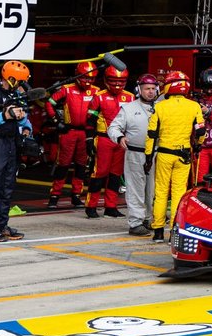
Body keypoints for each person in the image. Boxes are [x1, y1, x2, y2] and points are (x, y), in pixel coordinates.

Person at [145, 72, 205, 242]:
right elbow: (200, 131)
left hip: (164, 153)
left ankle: (157, 232)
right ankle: (174, 232)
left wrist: (148, 157)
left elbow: (151, 134)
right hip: (184, 155)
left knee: (161, 191)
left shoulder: (160, 106)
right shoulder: (194, 106)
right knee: (179, 193)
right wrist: (198, 144)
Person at [0, 61, 32, 242]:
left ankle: (2, 225)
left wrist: (27, 128)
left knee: (7, 187)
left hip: (13, 145)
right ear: (11, 79)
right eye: (20, 81)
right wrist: (4, 115)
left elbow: (25, 118)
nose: (22, 85)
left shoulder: (17, 95)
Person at [107, 74, 159, 236]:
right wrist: (120, 137)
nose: (150, 92)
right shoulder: (128, 108)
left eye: (153, 89)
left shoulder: (162, 107)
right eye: (147, 89)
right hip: (136, 153)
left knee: (153, 189)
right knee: (135, 189)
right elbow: (113, 128)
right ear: (138, 90)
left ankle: (148, 219)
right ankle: (136, 222)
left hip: (157, 154)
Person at [84, 65, 135, 218]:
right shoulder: (99, 96)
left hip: (122, 141)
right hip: (103, 139)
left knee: (115, 175)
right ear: (106, 80)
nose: (118, 84)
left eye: (121, 81)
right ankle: (91, 206)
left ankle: (111, 207)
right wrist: (88, 139)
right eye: (114, 80)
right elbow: (90, 120)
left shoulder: (130, 97)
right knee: (99, 173)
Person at [47, 60, 99, 209]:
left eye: (91, 78)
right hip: (68, 132)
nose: (88, 81)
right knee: (62, 165)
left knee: (82, 166)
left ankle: (76, 196)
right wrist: (57, 122)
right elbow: (49, 103)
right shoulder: (67, 89)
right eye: (85, 78)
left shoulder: (96, 91)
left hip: (86, 133)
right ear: (78, 75)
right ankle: (54, 196)